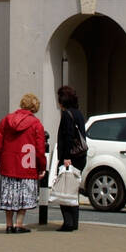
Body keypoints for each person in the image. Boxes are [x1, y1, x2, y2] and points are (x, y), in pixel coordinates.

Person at [0, 93, 46, 233]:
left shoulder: (6, 121)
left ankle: (8, 225)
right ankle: (19, 224)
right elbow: (40, 149)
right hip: (27, 166)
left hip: (8, 165)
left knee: (9, 196)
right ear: (34, 107)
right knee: (24, 196)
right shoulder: (36, 125)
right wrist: (42, 167)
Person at [55, 85, 88, 232]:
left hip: (70, 157)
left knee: (65, 188)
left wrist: (66, 157)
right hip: (80, 156)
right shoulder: (79, 114)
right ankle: (74, 222)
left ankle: (68, 222)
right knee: (74, 190)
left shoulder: (67, 115)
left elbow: (68, 136)